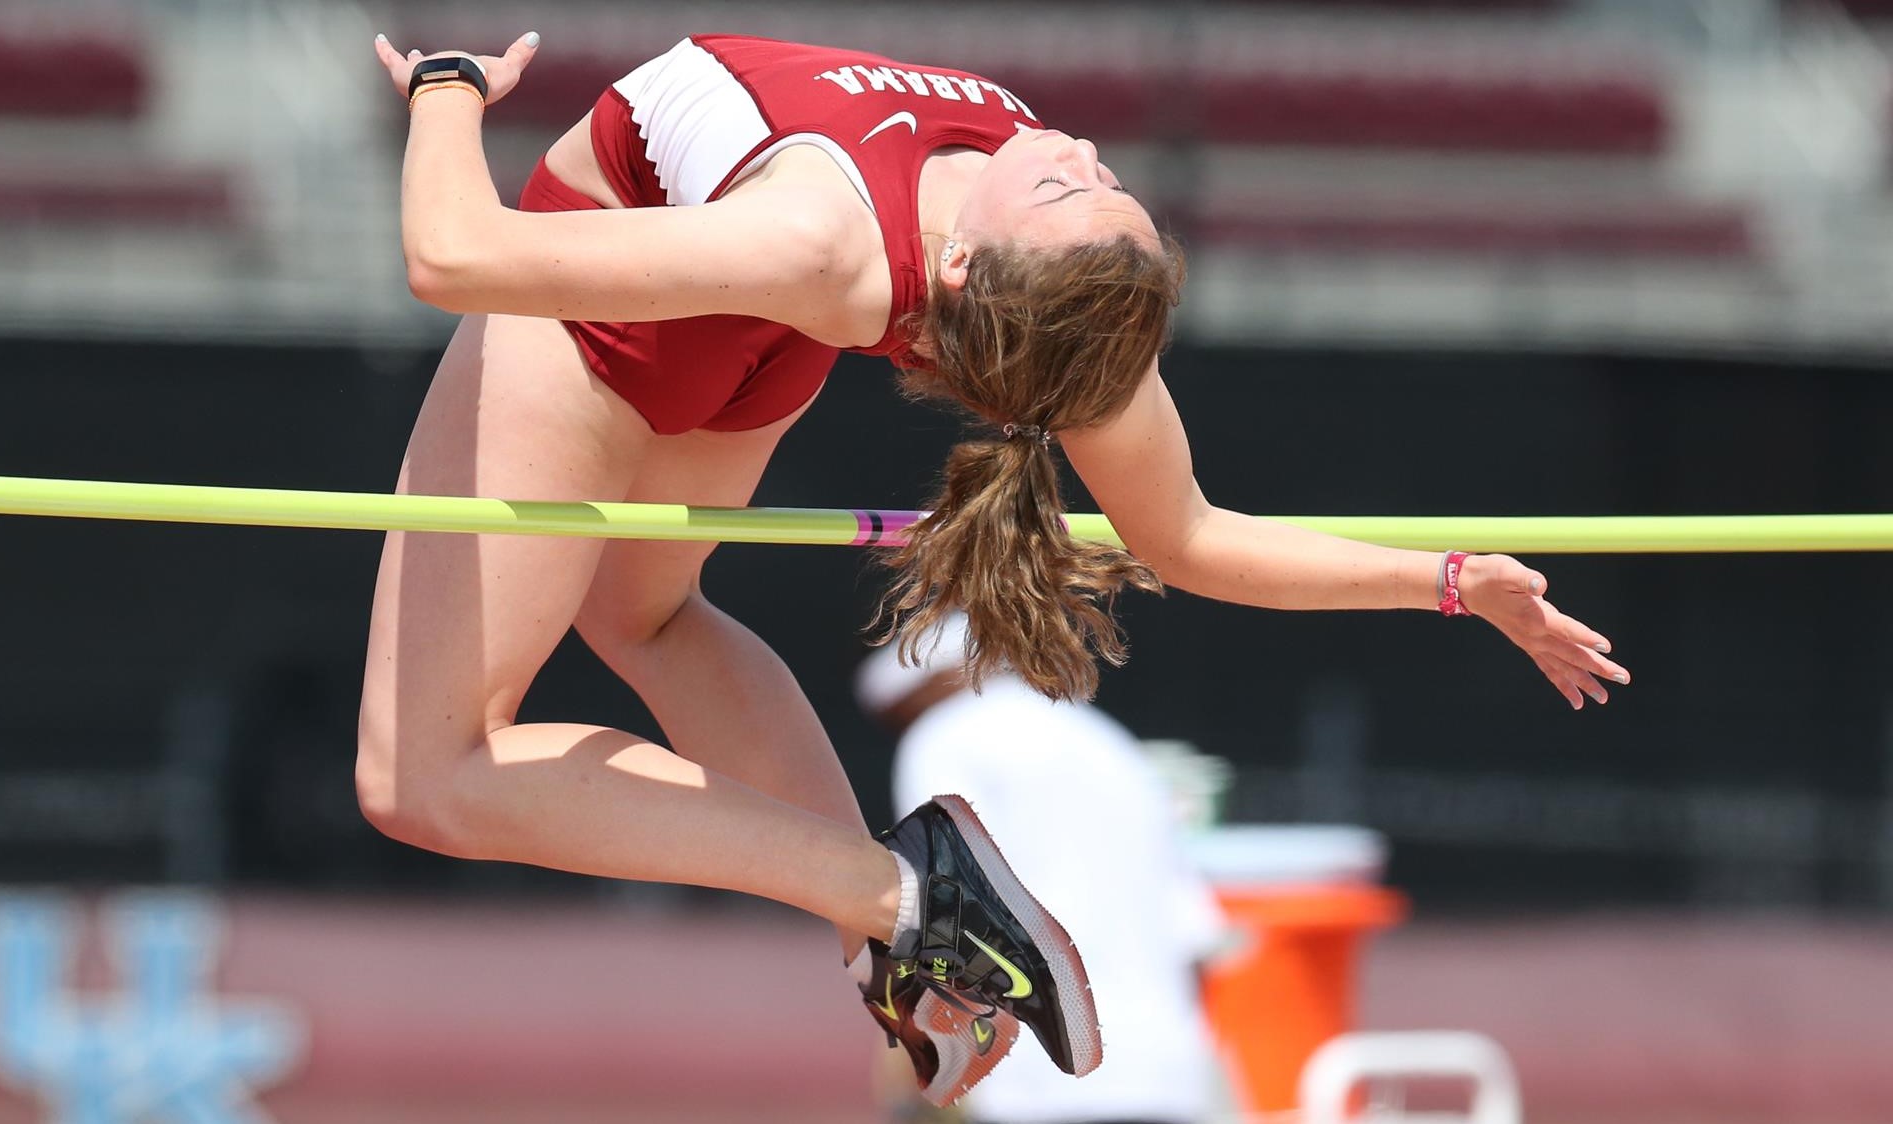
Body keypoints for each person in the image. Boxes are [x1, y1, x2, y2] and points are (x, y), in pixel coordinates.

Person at [360, 30, 1630, 1101]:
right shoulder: (1058, 304)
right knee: (648, 618)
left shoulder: (835, 248)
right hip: (752, 314)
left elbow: (450, 256)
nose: (1082, 157)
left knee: (425, 775)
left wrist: (447, 86)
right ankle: (886, 919)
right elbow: (1187, 539)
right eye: (1105, 182)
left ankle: (893, 890)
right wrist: (1457, 579)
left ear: (964, 267)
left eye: (1075, 193)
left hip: (635, 266)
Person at [858, 612, 1231, 1124]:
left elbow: (946, 908)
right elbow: (1193, 932)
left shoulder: (945, 739)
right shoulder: (1112, 747)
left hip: (1035, 1080)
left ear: (940, 682)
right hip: (1163, 1073)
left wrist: (914, 1063)